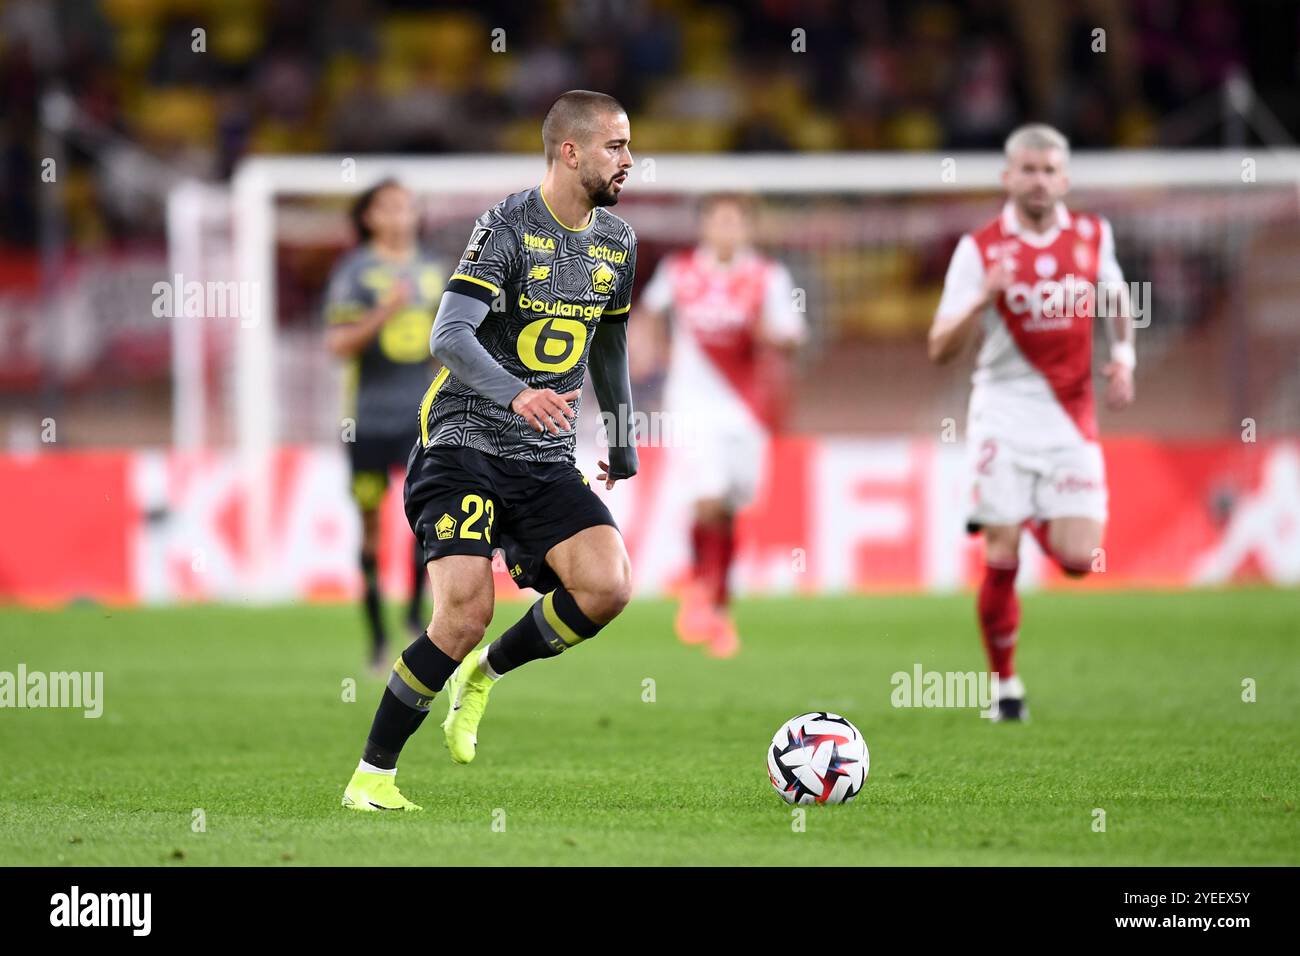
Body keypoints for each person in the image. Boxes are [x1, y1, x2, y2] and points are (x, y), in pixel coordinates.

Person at [341, 91, 640, 811]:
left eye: (630, 147)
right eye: (615, 147)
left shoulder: (617, 243)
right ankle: (372, 777)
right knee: (464, 612)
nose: (629, 161)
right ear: (570, 151)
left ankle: (486, 675)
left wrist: (625, 435)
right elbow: (449, 335)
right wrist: (514, 393)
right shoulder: (505, 226)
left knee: (608, 586)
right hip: (464, 444)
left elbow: (611, 342)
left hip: (543, 456)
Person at [928, 123, 1137, 721]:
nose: (1039, 181)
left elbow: (1118, 300)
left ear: (1065, 179)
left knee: (1078, 559)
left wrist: (1122, 358)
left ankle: (1029, 513)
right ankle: (1006, 689)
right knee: (1002, 548)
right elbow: (940, 346)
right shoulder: (981, 249)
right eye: (1028, 170)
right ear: (1008, 177)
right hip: (1002, 414)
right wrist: (980, 298)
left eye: (1050, 171)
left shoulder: (1094, 236)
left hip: (1072, 417)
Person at [639, 194, 805, 658]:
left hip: (746, 408)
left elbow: (792, 336)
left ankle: (720, 606)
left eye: (735, 222)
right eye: (718, 222)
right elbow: (650, 311)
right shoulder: (680, 270)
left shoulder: (767, 277)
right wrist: (652, 351)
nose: (726, 230)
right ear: (705, 228)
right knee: (707, 497)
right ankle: (698, 590)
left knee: (730, 507)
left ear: (747, 229)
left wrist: (768, 334)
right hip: (691, 404)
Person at [324, 179, 444, 671]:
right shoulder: (354, 273)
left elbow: (450, 342)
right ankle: (376, 637)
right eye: (388, 207)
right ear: (369, 216)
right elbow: (337, 345)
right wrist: (385, 311)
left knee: (428, 517)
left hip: (423, 419)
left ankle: (416, 616)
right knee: (372, 525)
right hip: (367, 421)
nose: (399, 216)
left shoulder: (435, 271)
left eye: (406, 206)